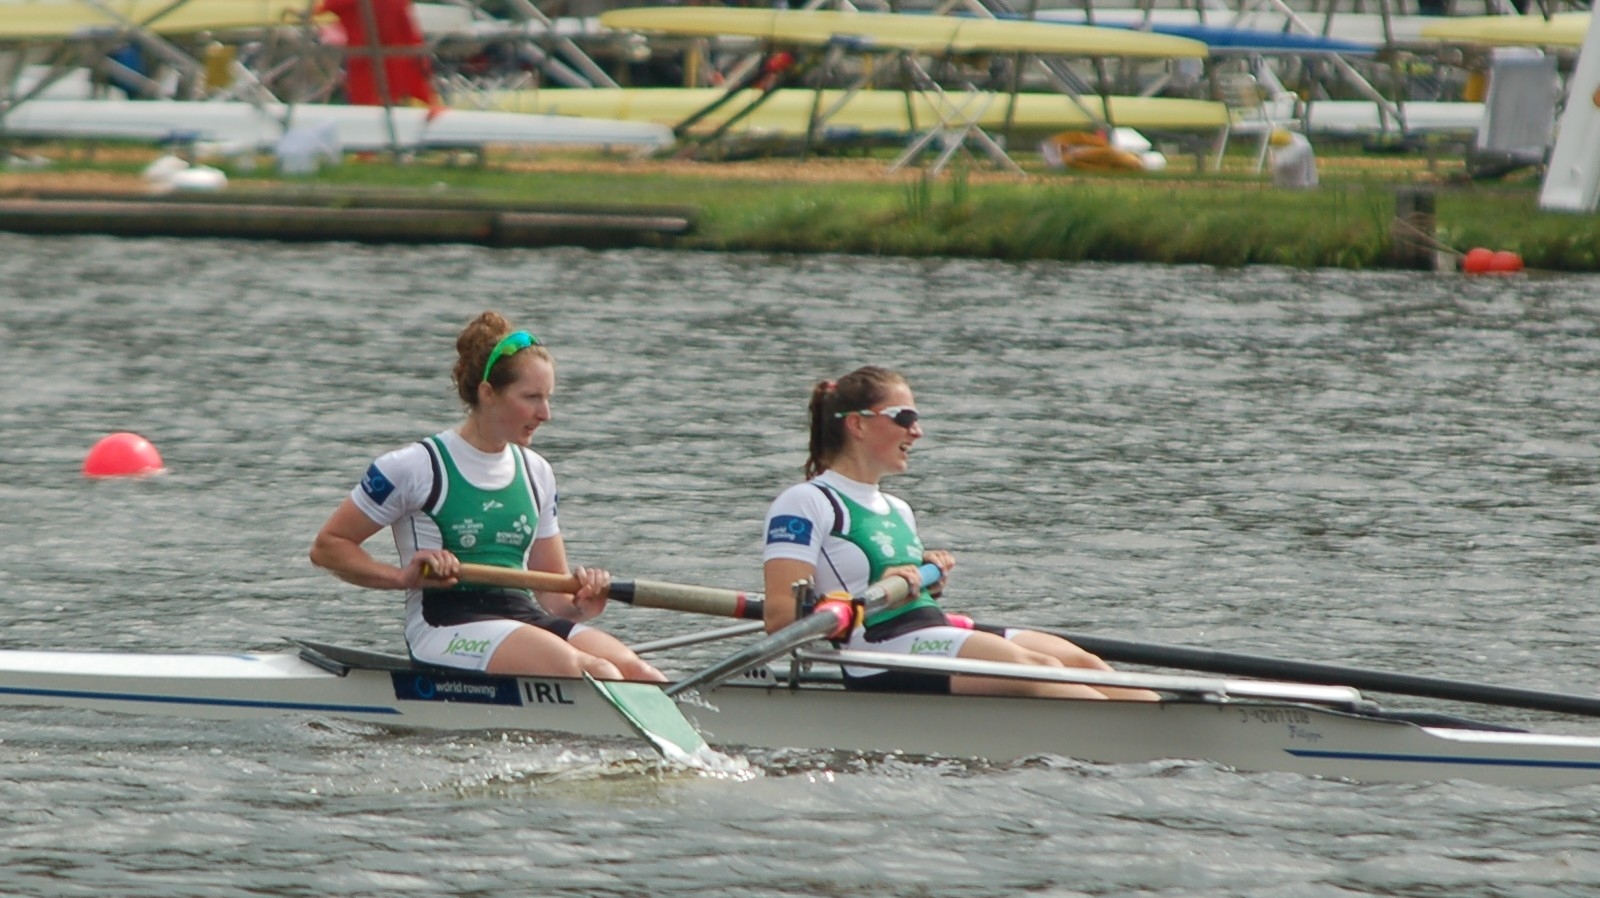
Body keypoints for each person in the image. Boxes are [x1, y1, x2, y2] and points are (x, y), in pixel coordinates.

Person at [761, 365, 1157, 700]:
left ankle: (1162, 720)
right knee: (1039, 668)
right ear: (857, 425)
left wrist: (923, 580)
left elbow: (895, 588)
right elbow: (781, 619)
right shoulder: (805, 502)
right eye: (904, 417)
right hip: (874, 651)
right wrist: (871, 596)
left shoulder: (898, 508)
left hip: (927, 629)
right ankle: (1144, 745)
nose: (917, 432)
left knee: (1080, 662)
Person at [309, 311, 664, 682]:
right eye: (531, 397)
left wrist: (580, 605)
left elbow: (553, 595)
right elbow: (328, 546)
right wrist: (402, 577)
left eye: (548, 398)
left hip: (521, 614)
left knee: (640, 673)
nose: (546, 414)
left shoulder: (537, 472)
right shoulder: (415, 467)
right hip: (443, 623)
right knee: (597, 672)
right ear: (487, 393)